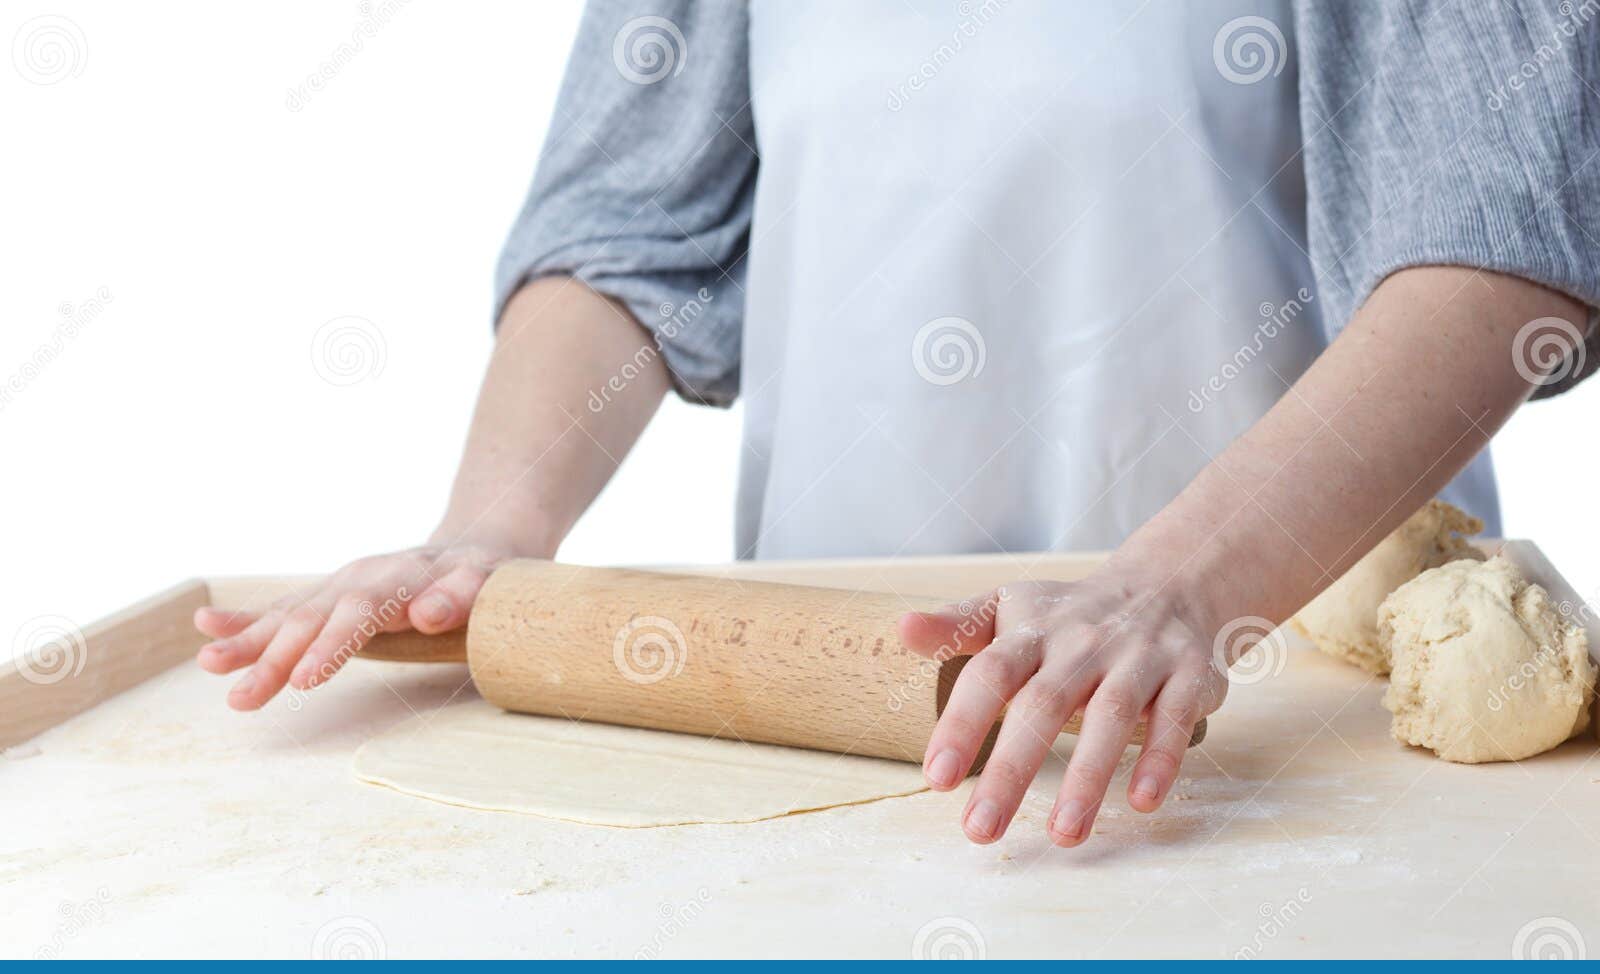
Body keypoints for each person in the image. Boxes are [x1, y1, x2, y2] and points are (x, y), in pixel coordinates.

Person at [196, 1, 1598, 848]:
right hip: (847, 705)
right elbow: (624, 228)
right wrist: (487, 533)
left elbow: (1497, 247)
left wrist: (1181, 585)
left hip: (1270, 713)